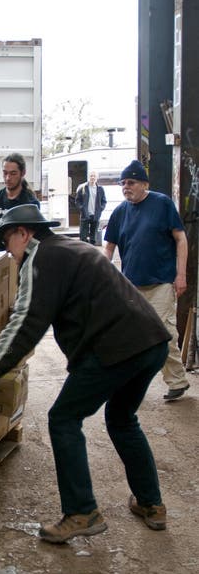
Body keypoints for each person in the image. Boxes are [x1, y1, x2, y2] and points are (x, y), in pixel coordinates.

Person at [0, 203, 170, 543]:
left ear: (23, 233)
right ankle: (151, 503)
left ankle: (82, 511)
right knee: (123, 419)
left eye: (8, 243)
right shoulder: (72, 247)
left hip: (115, 349)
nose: (10, 254)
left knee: (63, 419)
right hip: (150, 344)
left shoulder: (41, 257)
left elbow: (26, 323)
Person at [103, 159, 190, 402]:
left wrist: (181, 275)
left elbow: (181, 239)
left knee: (161, 333)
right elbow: (108, 248)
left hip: (161, 282)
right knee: (133, 337)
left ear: (144, 184)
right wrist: (103, 273)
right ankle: (150, 383)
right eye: (122, 183)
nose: (125, 187)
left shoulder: (162, 204)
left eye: (130, 182)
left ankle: (174, 380)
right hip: (131, 285)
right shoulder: (120, 211)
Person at [0, 152, 40, 248]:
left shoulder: (30, 203)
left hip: (17, 254)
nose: (8, 178)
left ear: (23, 173)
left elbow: (28, 239)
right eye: (5, 173)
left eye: (13, 173)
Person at [75, 169, 107, 245]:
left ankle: (92, 251)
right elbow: (77, 200)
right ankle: (83, 252)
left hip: (95, 215)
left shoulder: (100, 189)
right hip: (85, 215)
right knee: (83, 237)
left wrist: (101, 208)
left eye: (94, 176)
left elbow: (104, 201)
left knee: (93, 237)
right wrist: (81, 208)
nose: (92, 177)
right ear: (88, 177)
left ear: (97, 177)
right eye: (91, 176)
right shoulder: (83, 188)